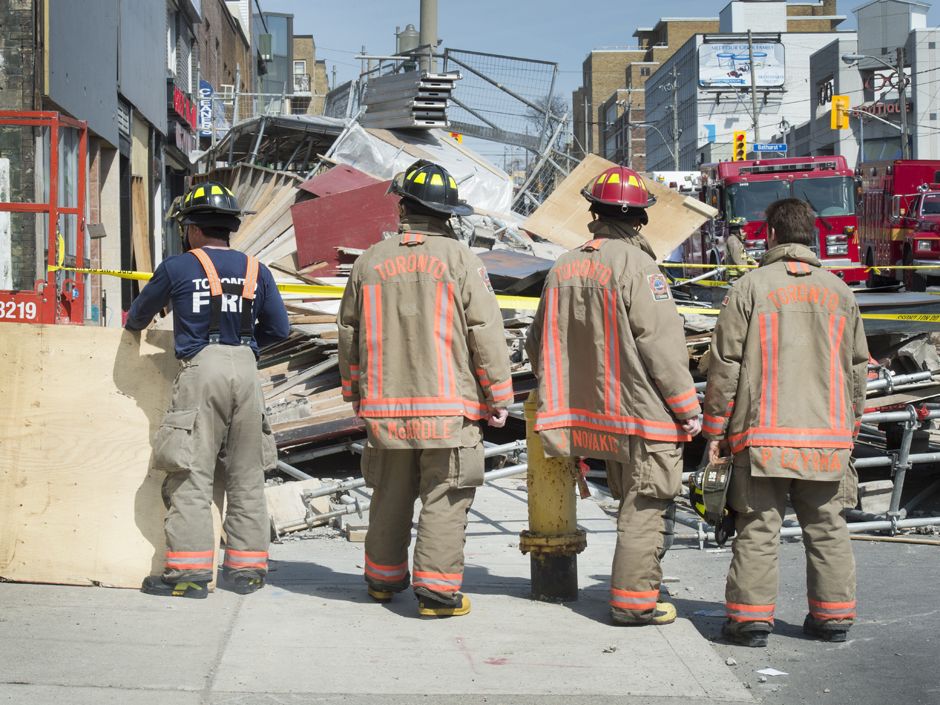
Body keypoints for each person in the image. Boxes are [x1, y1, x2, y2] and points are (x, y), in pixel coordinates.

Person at [526, 166, 702, 627]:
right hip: (643, 416)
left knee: (630, 502)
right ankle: (634, 602)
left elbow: (536, 343)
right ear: (640, 220)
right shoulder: (640, 268)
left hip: (591, 418)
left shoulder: (563, 266)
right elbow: (662, 346)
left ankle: (636, 592)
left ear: (593, 212)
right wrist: (688, 410)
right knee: (644, 507)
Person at [337, 160, 513, 618]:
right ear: (448, 214)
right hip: (448, 410)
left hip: (385, 408)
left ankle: (381, 580)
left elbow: (349, 333)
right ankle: (436, 595)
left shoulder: (369, 262)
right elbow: (485, 332)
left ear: (402, 207)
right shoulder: (461, 260)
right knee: (445, 496)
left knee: (389, 494)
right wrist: (499, 396)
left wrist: (355, 394)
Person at [703, 198, 868, 647]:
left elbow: (726, 364)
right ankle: (833, 619)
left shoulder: (751, 287)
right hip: (827, 438)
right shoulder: (839, 291)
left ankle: (750, 622)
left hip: (762, 438)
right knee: (828, 527)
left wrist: (716, 428)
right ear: (811, 237)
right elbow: (857, 368)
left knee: (757, 527)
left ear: (771, 235)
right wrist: (850, 427)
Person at [126, 181, 290, 598]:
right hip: (247, 369)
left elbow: (137, 317)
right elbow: (280, 329)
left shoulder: (178, 267)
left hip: (202, 369)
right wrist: (245, 346)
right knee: (247, 474)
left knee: (192, 472)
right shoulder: (258, 269)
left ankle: (189, 576)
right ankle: (246, 572)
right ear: (230, 226)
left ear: (193, 229)